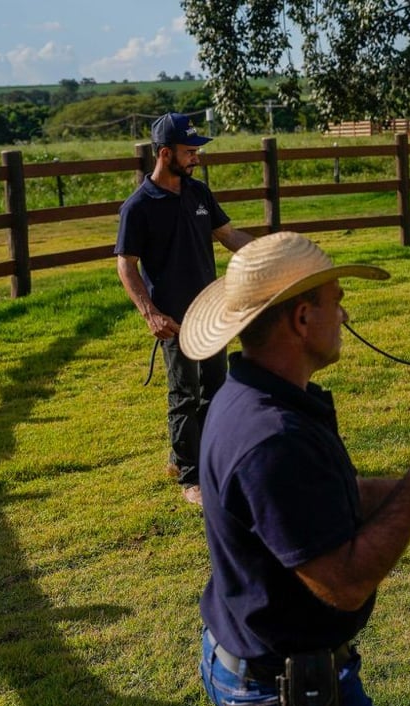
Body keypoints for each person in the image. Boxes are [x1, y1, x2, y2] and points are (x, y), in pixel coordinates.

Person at [179, 231, 410, 706]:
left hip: (271, 670)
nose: (343, 317)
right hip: (284, 696)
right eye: (336, 303)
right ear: (303, 319)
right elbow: (344, 583)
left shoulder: (258, 398)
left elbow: (340, 503)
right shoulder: (271, 440)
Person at [115, 112, 253, 506]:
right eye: (190, 151)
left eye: (197, 151)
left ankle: (203, 461)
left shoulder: (198, 193)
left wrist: (272, 253)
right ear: (164, 153)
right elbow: (125, 264)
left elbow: (227, 235)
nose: (197, 158)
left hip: (212, 310)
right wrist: (150, 313)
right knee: (185, 395)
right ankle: (191, 480)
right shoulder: (138, 207)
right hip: (174, 319)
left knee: (216, 390)